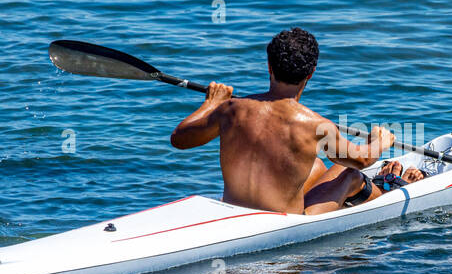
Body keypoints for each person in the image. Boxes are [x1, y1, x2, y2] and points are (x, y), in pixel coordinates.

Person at [169, 27, 397, 215]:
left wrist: (211, 103)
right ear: (311, 74)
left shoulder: (231, 109)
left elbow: (179, 139)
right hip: (285, 223)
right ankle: (391, 191)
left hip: (233, 213)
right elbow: (363, 159)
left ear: (269, 66)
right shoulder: (315, 125)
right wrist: (380, 140)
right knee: (350, 174)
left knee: (316, 166)